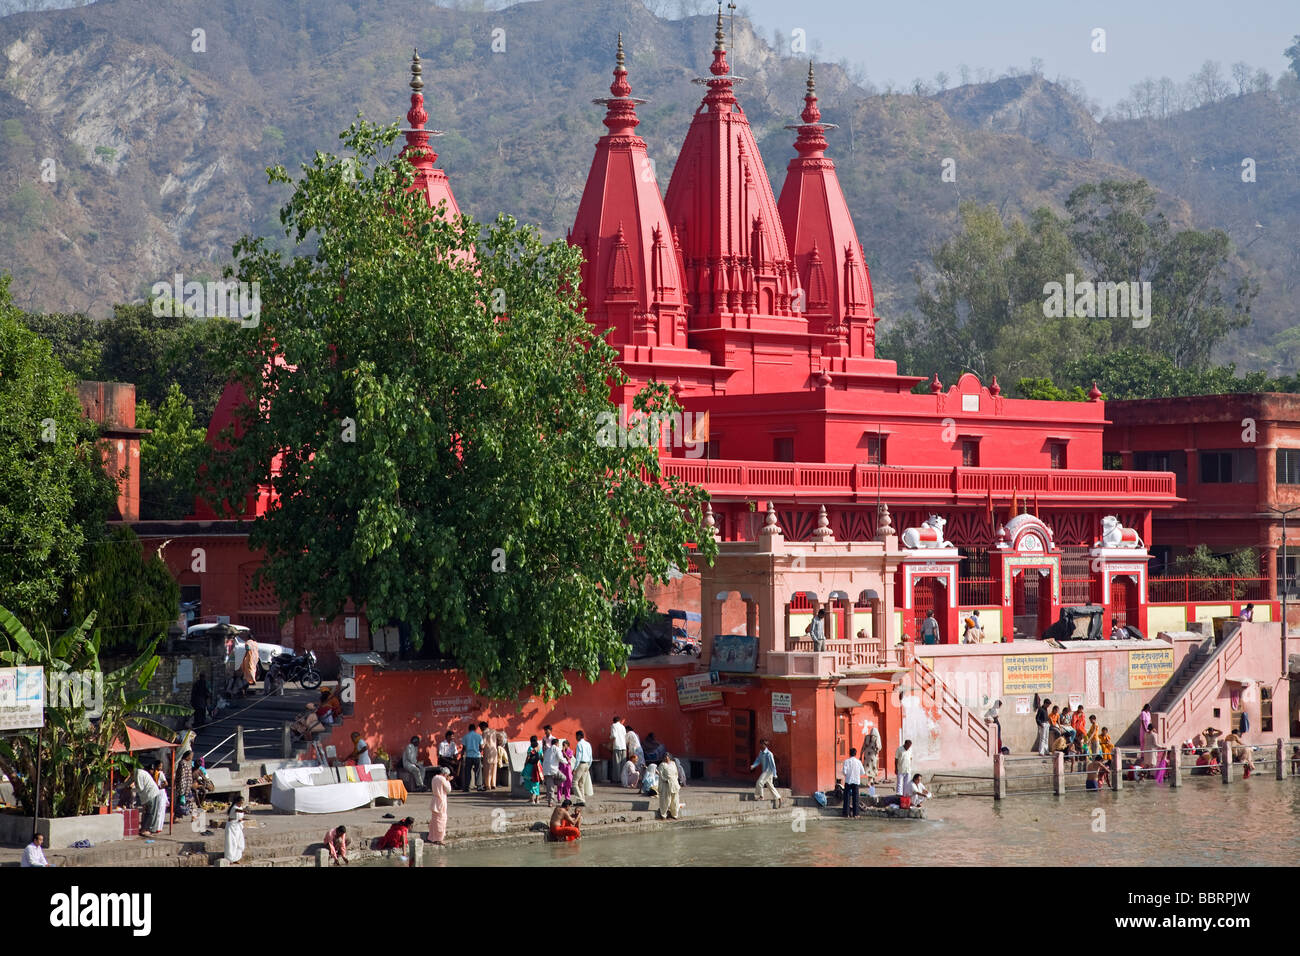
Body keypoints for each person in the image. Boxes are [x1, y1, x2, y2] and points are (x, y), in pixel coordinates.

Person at [135, 764, 164, 837]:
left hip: (151, 794)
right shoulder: (138, 773)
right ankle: (144, 829)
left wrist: (132, 789)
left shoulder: (138, 773)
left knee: (150, 813)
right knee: (147, 813)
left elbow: (140, 788)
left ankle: (147, 830)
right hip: (148, 796)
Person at [751, 739, 781, 808]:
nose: (761, 745)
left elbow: (773, 765)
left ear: (765, 745)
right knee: (770, 786)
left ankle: (761, 796)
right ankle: (779, 797)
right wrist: (754, 765)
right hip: (765, 771)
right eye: (760, 744)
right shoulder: (761, 753)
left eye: (762, 744)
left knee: (759, 782)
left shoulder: (769, 754)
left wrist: (775, 774)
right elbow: (758, 760)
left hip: (768, 771)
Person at [428, 766, 452, 845]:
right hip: (441, 800)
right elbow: (448, 790)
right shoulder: (442, 779)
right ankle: (439, 838)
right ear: (445, 774)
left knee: (435, 820)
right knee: (441, 820)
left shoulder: (434, 778)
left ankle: (432, 837)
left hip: (435, 799)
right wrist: (448, 781)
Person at [570, 730, 593, 805]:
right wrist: (588, 765)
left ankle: (580, 799)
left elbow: (578, 757)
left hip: (581, 764)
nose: (576, 738)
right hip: (587, 764)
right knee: (581, 783)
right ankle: (582, 799)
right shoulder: (588, 744)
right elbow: (590, 756)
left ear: (579, 736)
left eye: (576, 736)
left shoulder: (579, 744)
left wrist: (575, 768)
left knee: (574, 782)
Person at [842, 746, 865, 818]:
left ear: (849, 753)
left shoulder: (846, 761)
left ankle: (846, 813)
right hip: (856, 781)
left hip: (848, 781)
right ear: (856, 754)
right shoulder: (859, 762)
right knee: (856, 798)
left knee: (847, 797)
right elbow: (862, 772)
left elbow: (844, 772)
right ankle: (856, 814)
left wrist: (848, 774)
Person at [461, 722, 483, 792]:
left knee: (467, 772)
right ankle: (479, 786)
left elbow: (464, 748)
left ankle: (467, 787)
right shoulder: (479, 736)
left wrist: (462, 756)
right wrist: (479, 751)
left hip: (468, 756)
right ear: (475, 729)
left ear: (469, 729)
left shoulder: (465, 736)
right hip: (477, 756)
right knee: (478, 771)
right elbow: (481, 747)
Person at [657, 753, 681, 820]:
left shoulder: (673, 763)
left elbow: (676, 773)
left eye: (668, 756)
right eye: (665, 757)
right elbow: (661, 775)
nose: (667, 758)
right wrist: (666, 780)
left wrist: (675, 780)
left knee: (675, 800)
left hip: (674, 783)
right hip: (666, 784)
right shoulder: (662, 765)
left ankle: (674, 814)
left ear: (670, 757)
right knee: (666, 800)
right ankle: (663, 814)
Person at [542, 735, 563, 806]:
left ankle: (550, 801)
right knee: (563, 778)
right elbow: (560, 758)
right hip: (553, 769)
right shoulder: (557, 749)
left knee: (550, 787)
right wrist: (567, 762)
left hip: (547, 770)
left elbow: (544, 758)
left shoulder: (547, 750)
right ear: (557, 743)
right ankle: (550, 802)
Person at [224, 797, 246, 864]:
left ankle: (236, 858)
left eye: (242, 803)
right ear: (237, 802)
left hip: (237, 827)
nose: (241, 804)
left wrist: (241, 819)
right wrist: (244, 811)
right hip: (231, 827)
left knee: (238, 842)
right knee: (231, 843)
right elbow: (237, 811)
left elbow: (240, 816)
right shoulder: (234, 807)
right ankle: (230, 859)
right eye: (240, 803)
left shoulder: (240, 807)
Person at [522, 735, 543, 804]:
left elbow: (528, 757)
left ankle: (532, 799)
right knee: (537, 782)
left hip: (530, 766)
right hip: (538, 766)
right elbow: (541, 757)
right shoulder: (539, 748)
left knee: (531, 781)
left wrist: (525, 764)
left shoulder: (530, 748)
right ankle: (537, 799)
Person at [479, 723, 498, 791]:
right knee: (494, 768)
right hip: (494, 752)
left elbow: (483, 744)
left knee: (487, 769)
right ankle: (493, 784)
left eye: (480, 727)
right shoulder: (493, 731)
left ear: (483, 727)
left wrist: (480, 748)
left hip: (488, 752)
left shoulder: (485, 732)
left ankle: (488, 785)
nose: (480, 729)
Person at [609, 716, 627, 784]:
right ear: (619, 721)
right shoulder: (622, 726)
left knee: (616, 763)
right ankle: (623, 778)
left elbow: (614, 735)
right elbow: (625, 735)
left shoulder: (613, 725)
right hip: (623, 746)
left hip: (617, 746)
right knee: (623, 763)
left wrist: (610, 737)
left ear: (614, 721)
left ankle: (617, 779)